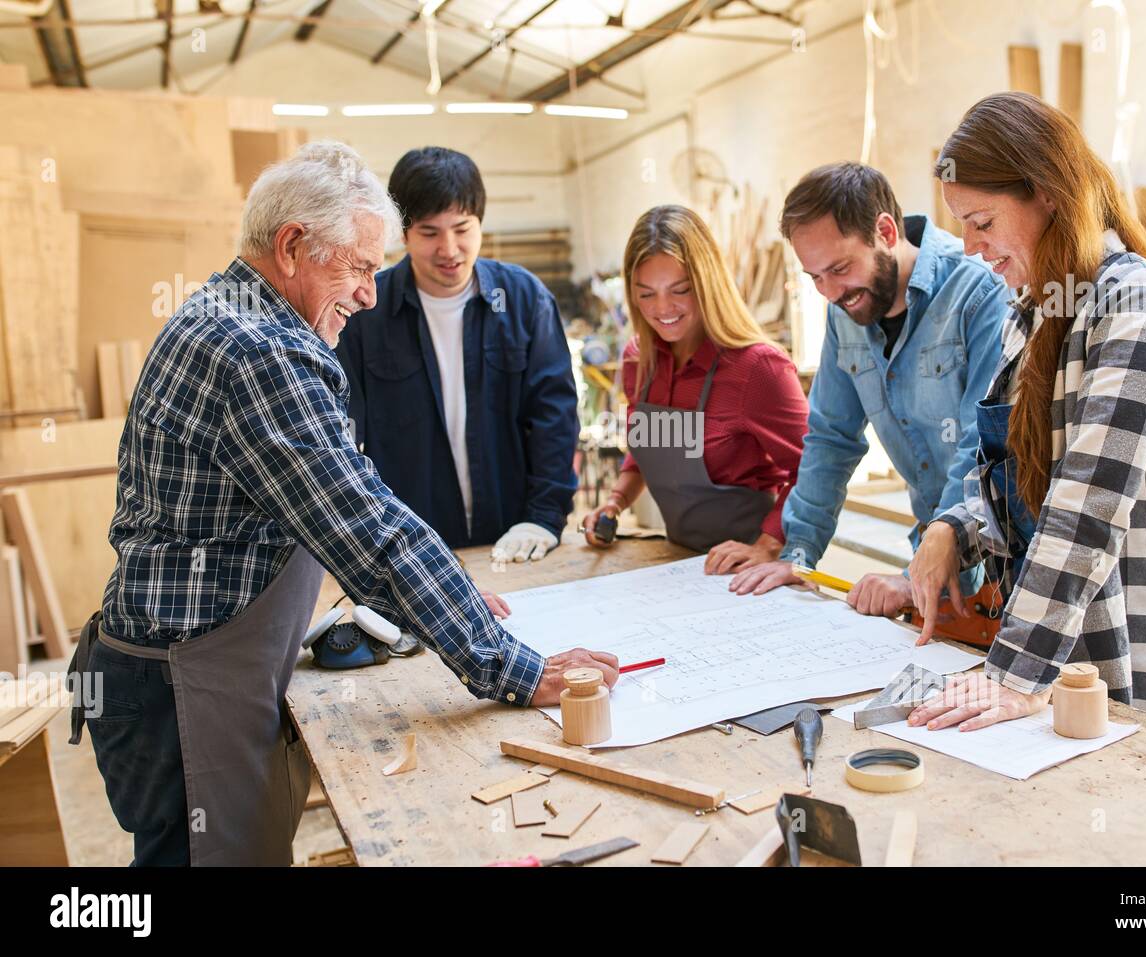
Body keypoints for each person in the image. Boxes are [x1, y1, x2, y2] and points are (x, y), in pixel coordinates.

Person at [72, 142, 617, 866]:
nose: (368, 293)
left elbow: (341, 502)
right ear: (292, 245)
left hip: (172, 666)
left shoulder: (225, 307)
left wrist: (441, 597)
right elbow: (366, 525)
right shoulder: (259, 350)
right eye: (359, 266)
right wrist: (511, 668)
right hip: (185, 687)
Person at [906, 93, 1146, 736]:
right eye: (962, 225)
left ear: (1046, 193)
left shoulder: (1140, 302)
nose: (971, 248)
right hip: (1050, 665)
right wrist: (952, 529)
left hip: (1137, 674)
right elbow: (1001, 467)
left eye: (983, 221)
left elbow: (1088, 503)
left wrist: (1012, 673)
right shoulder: (1028, 315)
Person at [730, 163, 1005, 616]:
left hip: (1003, 558)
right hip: (931, 558)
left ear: (884, 230)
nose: (830, 292)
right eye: (814, 276)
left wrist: (916, 571)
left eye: (839, 268)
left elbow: (985, 446)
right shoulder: (845, 313)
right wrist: (798, 555)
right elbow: (830, 439)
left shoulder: (978, 291)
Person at [336, 147, 578, 563]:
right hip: (411, 551)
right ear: (403, 233)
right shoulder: (366, 313)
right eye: (430, 233)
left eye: (462, 228)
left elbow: (554, 416)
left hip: (517, 542)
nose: (449, 249)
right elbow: (342, 436)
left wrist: (543, 517)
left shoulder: (523, 298)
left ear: (480, 222)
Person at [580, 205, 807, 570]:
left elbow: (812, 471)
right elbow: (649, 446)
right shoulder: (640, 359)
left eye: (680, 290)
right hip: (679, 561)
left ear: (707, 284)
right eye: (646, 294)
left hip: (749, 570)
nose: (663, 308)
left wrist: (768, 545)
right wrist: (615, 502)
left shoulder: (758, 367)